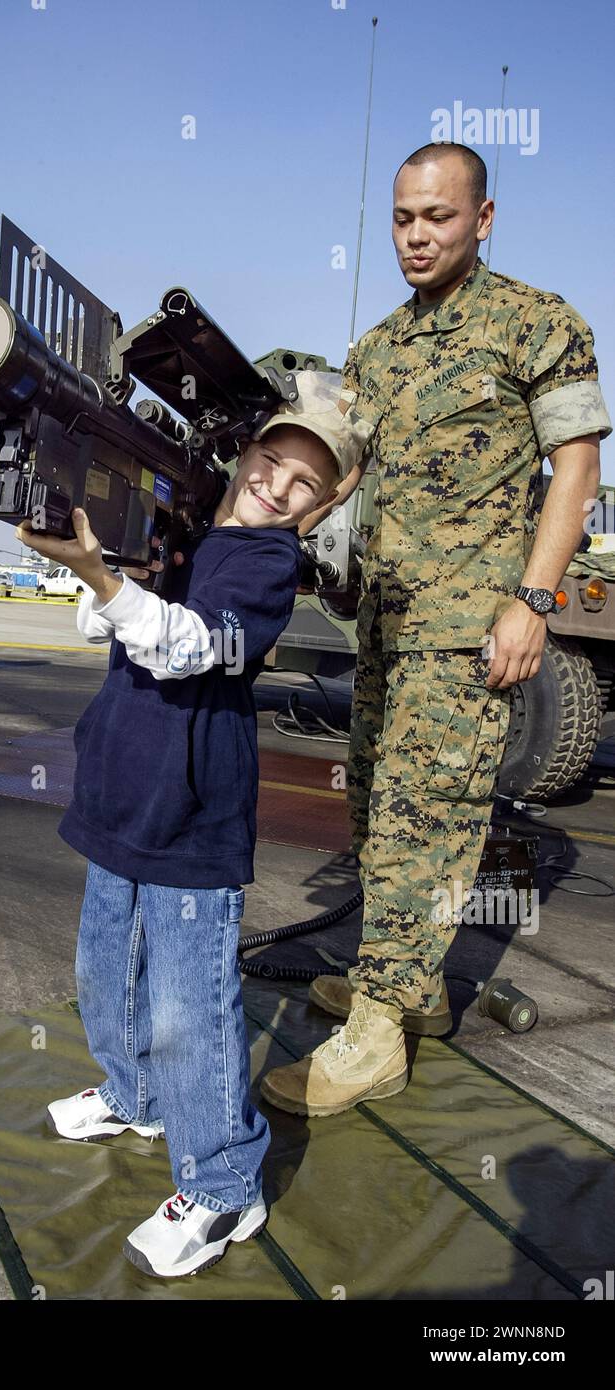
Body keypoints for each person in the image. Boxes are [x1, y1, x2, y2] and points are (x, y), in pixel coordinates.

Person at [261, 142, 612, 1119]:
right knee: (380, 823)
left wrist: (532, 604)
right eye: (403, 218)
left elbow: (574, 473)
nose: (417, 236)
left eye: (438, 218)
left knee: (430, 830)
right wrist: (317, 551)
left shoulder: (539, 323)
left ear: (483, 218)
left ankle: (374, 1038)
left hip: (468, 632)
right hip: (383, 626)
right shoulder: (375, 350)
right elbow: (349, 485)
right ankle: (406, 991)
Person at [18, 371, 367, 1278]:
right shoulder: (195, 537)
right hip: (122, 790)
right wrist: (107, 571)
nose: (277, 485)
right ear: (245, 454)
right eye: (270, 460)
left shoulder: (266, 567)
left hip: (193, 809)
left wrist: (102, 574)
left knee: (190, 1010)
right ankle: (135, 1095)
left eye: (304, 482)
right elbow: (113, 633)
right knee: (105, 963)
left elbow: (186, 650)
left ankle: (222, 1189)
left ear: (327, 502)